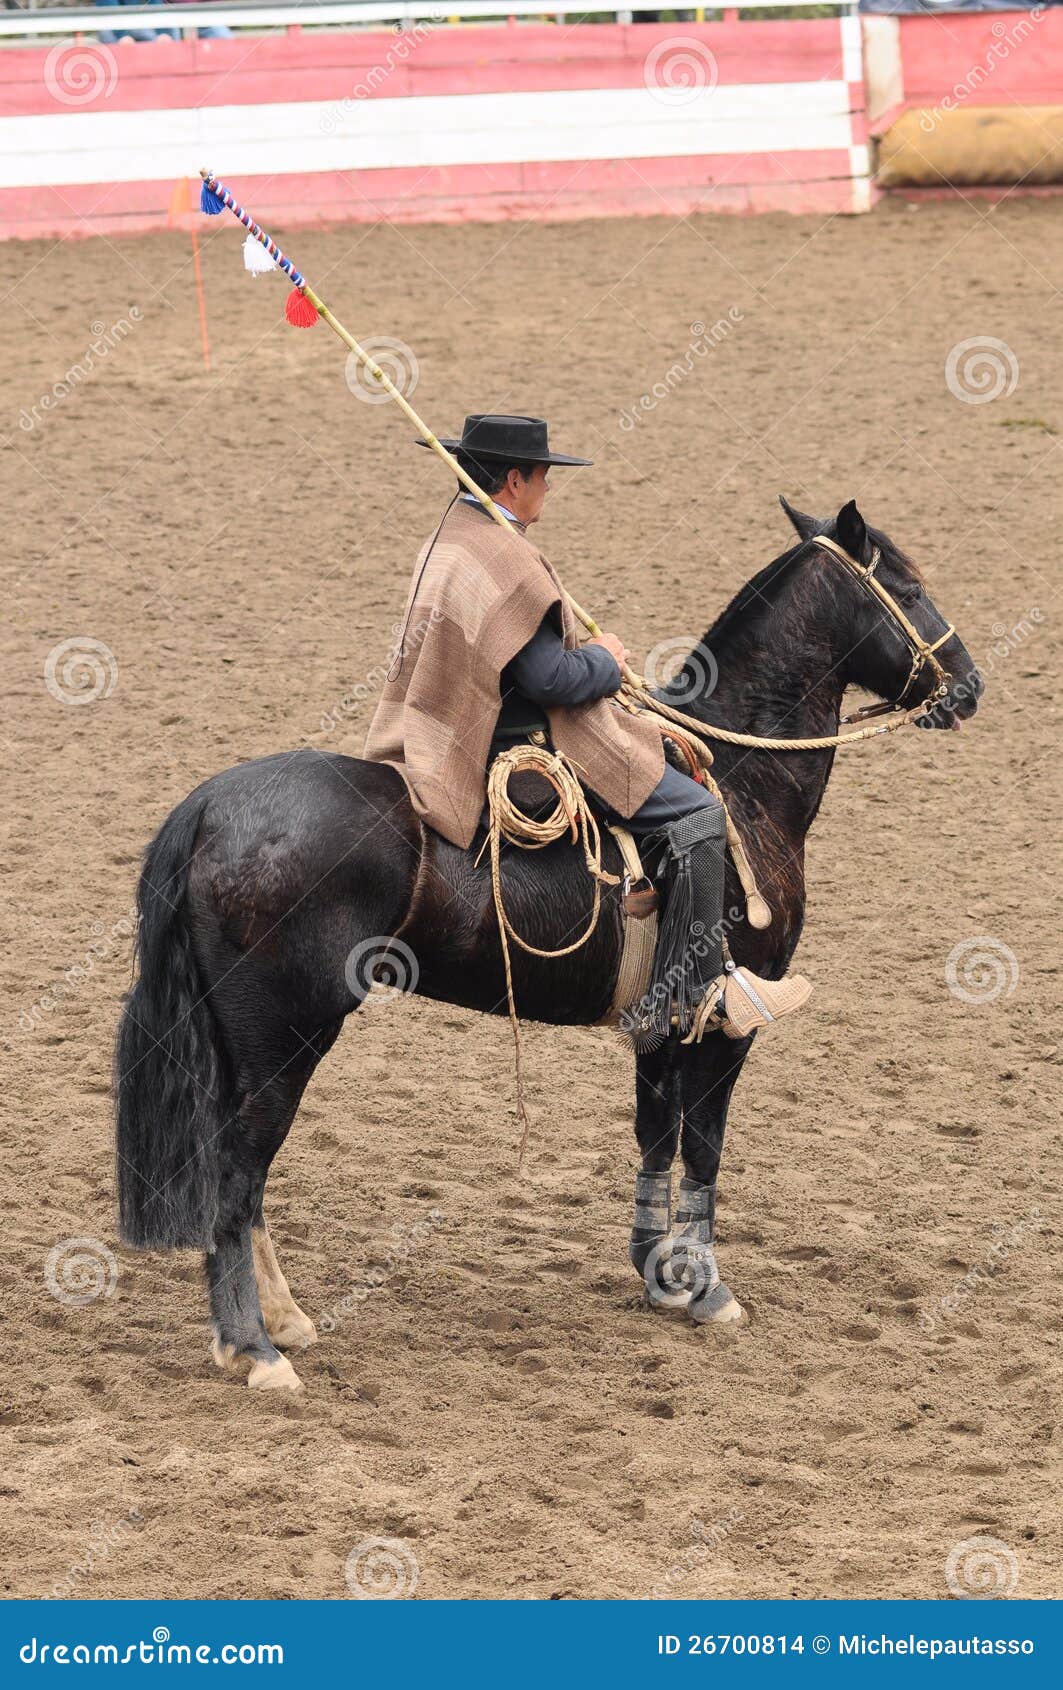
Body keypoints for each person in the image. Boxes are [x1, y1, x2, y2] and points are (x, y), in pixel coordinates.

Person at [365, 414, 810, 1041]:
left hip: (450, 723)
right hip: (516, 737)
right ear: (514, 480)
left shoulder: (452, 535)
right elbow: (551, 681)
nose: (548, 487)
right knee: (700, 815)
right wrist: (605, 659)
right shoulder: (505, 557)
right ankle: (689, 994)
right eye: (543, 475)